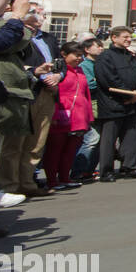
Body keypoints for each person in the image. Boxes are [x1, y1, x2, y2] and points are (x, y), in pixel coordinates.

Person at [0, 1, 61, 196]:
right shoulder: (13, 33)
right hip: (24, 92)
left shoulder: (48, 38)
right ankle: (9, 186)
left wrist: (58, 75)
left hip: (46, 93)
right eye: (34, 12)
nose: (39, 17)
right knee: (14, 144)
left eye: (42, 13)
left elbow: (59, 62)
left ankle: (27, 183)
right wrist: (35, 72)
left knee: (36, 143)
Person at [93, 26, 136, 181]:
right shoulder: (105, 57)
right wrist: (127, 94)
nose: (129, 40)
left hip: (133, 103)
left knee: (131, 136)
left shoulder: (131, 57)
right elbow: (108, 79)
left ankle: (130, 166)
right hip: (113, 103)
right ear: (114, 38)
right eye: (125, 37)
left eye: (130, 37)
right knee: (109, 140)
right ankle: (106, 170)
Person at [43, 41, 93, 190]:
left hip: (78, 116)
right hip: (61, 114)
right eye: (76, 55)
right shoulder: (57, 72)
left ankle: (65, 177)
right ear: (64, 54)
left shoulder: (80, 70)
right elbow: (51, 94)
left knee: (70, 151)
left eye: (81, 55)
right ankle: (52, 180)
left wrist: (89, 116)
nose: (79, 58)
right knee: (55, 150)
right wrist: (53, 116)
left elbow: (86, 94)